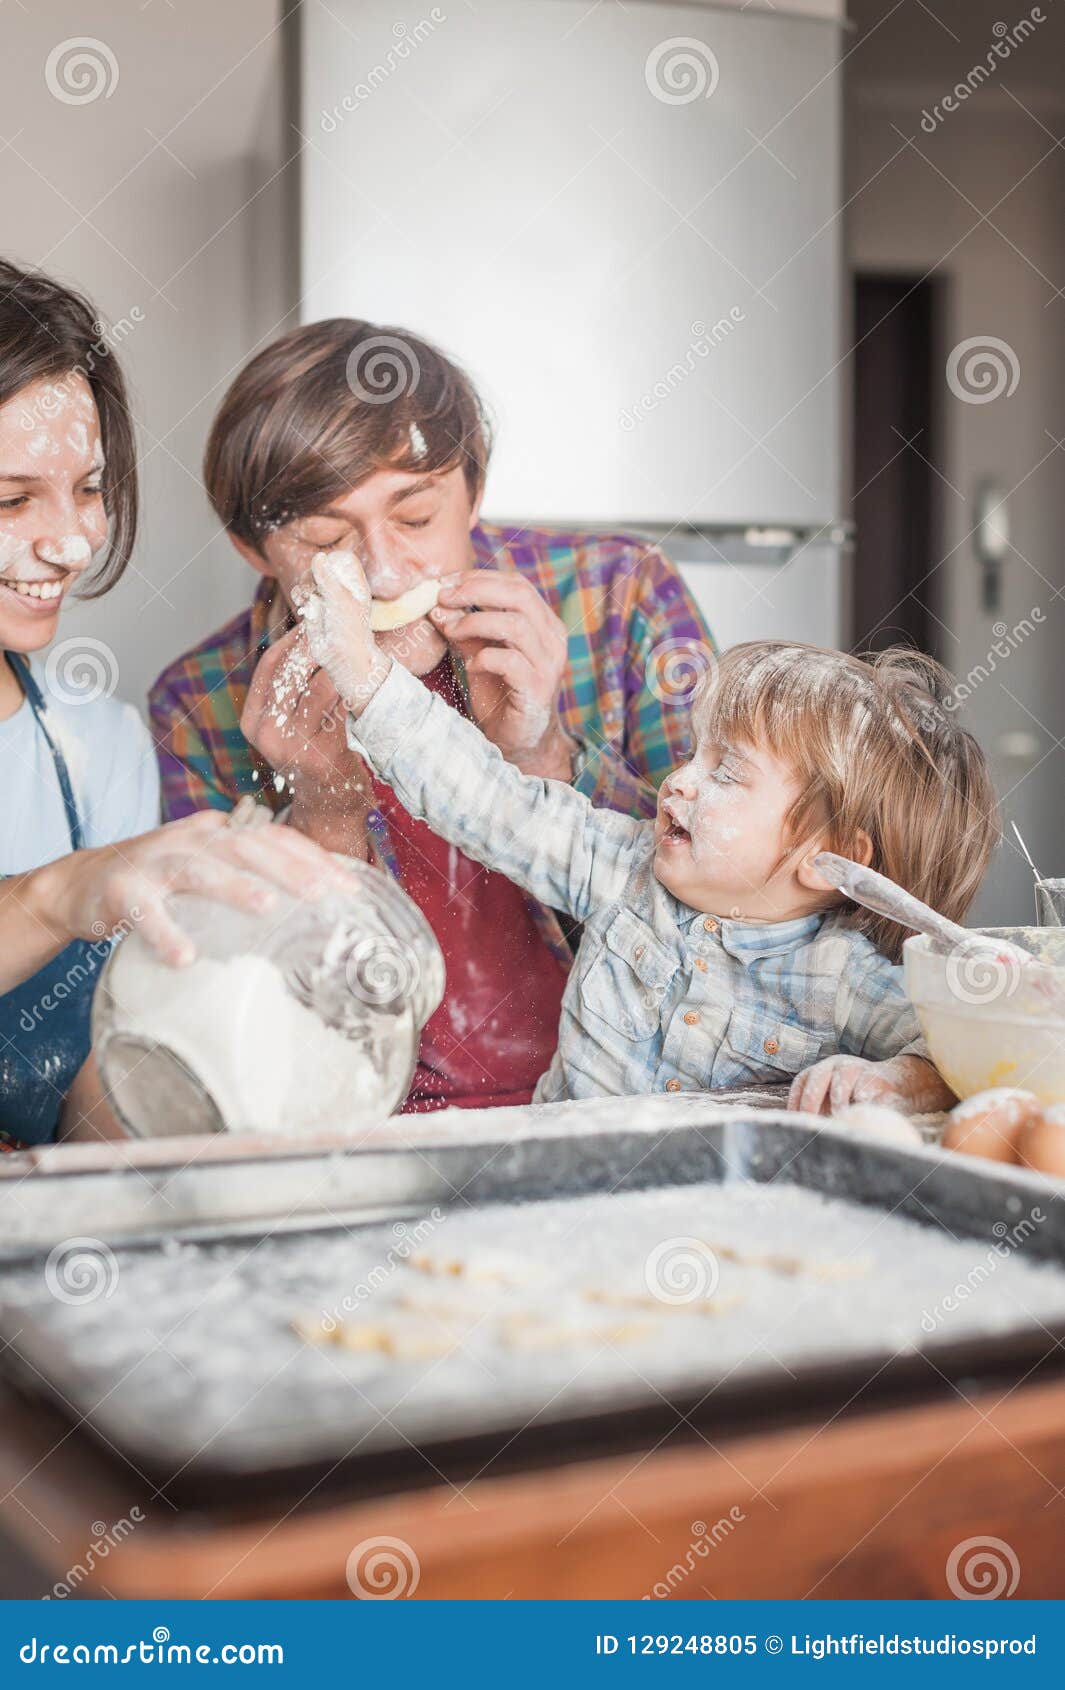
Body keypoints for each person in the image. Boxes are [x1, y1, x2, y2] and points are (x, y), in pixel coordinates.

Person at [150, 319, 715, 1112]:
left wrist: (543, 754)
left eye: (415, 519)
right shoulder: (197, 707)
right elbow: (235, 1041)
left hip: (621, 1107)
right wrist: (328, 812)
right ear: (254, 551)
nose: (382, 574)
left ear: (474, 494)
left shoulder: (621, 598)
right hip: (371, 1128)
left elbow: (736, 913)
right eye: (322, 540)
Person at [302, 547, 1000, 1115]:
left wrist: (891, 1082)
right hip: (560, 1201)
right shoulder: (619, 868)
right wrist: (365, 677)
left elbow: (965, 1051)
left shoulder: (839, 977)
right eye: (692, 752)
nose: (677, 781)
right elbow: (490, 801)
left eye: (724, 772)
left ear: (829, 860)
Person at [0, 262, 356, 1149]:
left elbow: (90, 1108)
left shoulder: (103, 750)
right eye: (10, 498)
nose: (75, 541)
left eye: (88, 488)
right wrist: (52, 899)